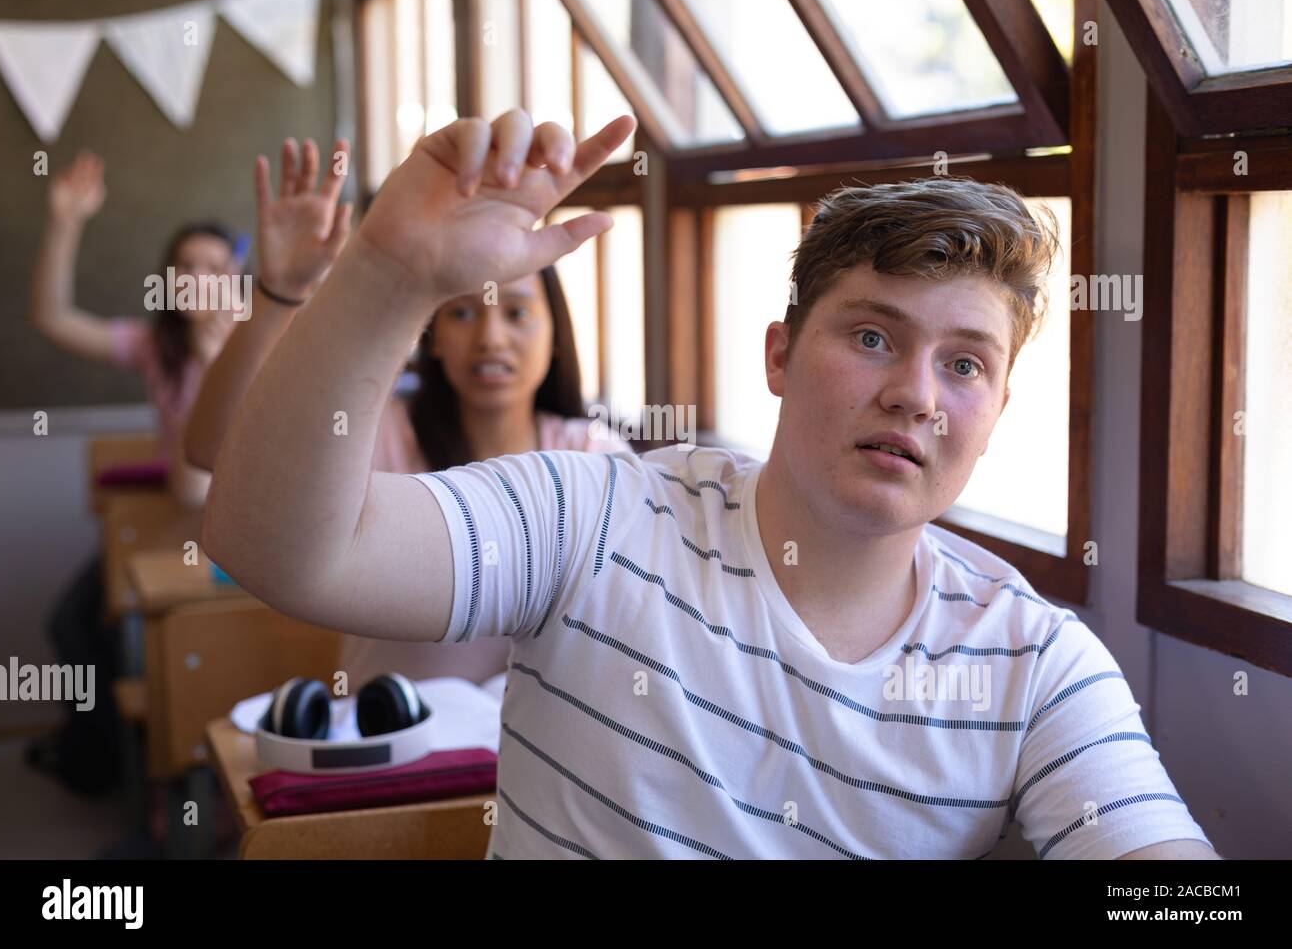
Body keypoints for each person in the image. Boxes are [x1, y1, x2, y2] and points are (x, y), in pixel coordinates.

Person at [203, 111, 1218, 859]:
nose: (914, 394)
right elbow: (276, 543)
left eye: (963, 364)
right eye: (871, 336)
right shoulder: (595, 511)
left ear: (994, 410)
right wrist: (385, 272)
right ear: (778, 354)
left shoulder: (1036, 660)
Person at [184, 137, 626, 689]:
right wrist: (280, 290)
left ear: (556, 336)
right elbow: (210, 449)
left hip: (522, 765)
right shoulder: (376, 433)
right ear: (433, 338)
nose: (491, 338)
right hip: (394, 758)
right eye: (463, 312)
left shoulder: (592, 457)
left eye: (517, 313)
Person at [28, 150, 240, 795]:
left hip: (228, 543)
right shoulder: (159, 347)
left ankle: (149, 776)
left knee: (162, 643)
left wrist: (216, 356)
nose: (199, 278)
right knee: (72, 621)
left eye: (214, 267)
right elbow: (54, 319)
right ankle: (98, 760)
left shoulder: (260, 345)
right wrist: (66, 221)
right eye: (187, 268)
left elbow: (200, 486)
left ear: (237, 279)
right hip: (171, 529)